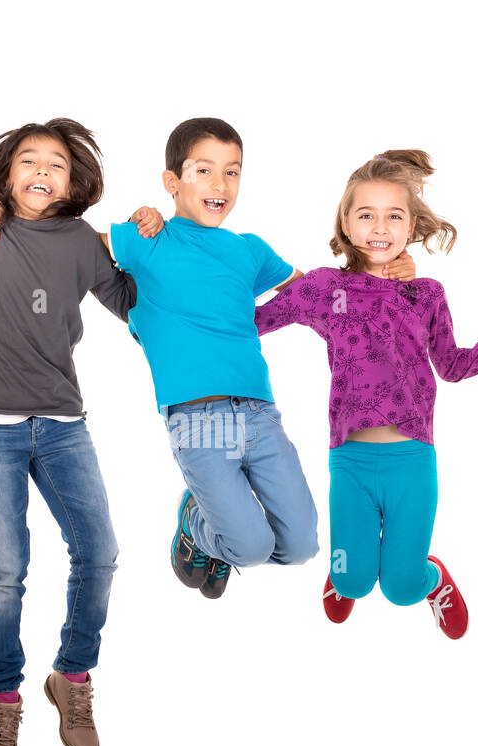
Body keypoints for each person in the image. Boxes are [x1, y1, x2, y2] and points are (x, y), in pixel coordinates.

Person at [0, 117, 161, 746]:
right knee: (5, 564)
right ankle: (1, 697)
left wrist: (146, 243)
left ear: (76, 182)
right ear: (5, 172)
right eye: (28, 159)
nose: (41, 170)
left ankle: (71, 676)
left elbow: (133, 308)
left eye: (57, 163)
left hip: (60, 421)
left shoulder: (80, 240)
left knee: (99, 550)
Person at [107, 118, 413, 599]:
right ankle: (195, 523)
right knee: (248, 547)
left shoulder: (249, 249)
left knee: (302, 547)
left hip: (259, 414)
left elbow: (323, 295)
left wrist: (386, 276)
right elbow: (73, 247)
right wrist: (135, 216)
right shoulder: (149, 240)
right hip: (196, 417)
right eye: (203, 171)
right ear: (172, 183)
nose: (220, 185)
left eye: (232, 172)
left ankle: (214, 525)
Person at [254, 150, 478, 637]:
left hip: (413, 460)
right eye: (365, 214)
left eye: (394, 216)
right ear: (346, 224)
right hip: (349, 461)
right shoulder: (325, 288)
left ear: (411, 225)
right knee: (351, 583)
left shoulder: (425, 293)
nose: (379, 227)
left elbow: (451, 366)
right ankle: (346, 572)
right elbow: (253, 324)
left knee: (402, 589)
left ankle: (430, 576)